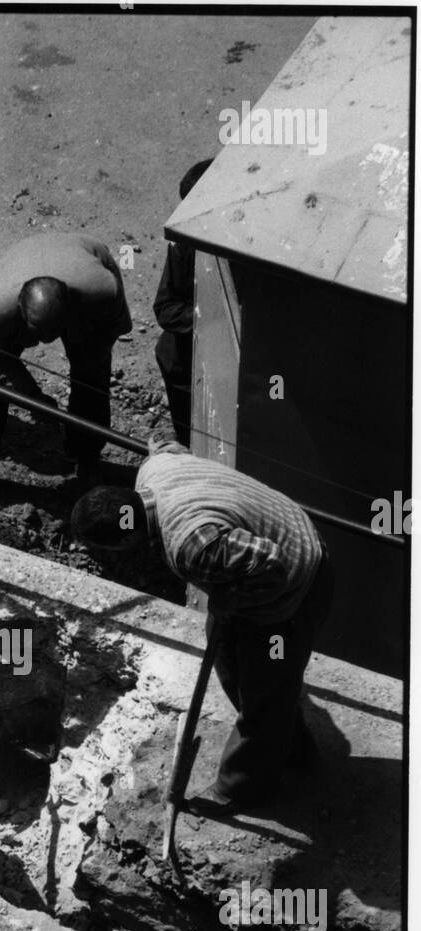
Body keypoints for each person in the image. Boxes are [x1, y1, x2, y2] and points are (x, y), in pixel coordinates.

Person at [70, 444, 334, 817]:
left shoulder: (191, 546)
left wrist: (233, 599)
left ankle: (243, 789)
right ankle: (293, 749)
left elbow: (272, 565)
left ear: (127, 537)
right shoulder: (154, 468)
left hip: (297, 577)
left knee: (266, 686)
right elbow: (164, 443)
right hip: (268, 538)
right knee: (230, 661)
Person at [0, 231, 132, 506]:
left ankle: (86, 455)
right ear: (20, 311)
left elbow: (117, 328)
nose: (47, 341)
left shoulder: (102, 291)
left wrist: (86, 354)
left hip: (84, 262)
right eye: (39, 333)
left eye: (54, 332)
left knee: (92, 376)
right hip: (23, 257)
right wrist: (33, 397)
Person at [152, 159, 214, 445]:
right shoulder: (185, 246)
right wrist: (212, 321)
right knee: (193, 437)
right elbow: (166, 308)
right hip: (186, 364)